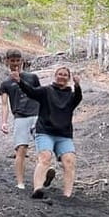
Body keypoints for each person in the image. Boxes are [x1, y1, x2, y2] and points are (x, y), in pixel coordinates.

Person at [12, 65, 82, 199]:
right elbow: (31, 91)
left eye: (65, 75)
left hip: (64, 134)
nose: (62, 76)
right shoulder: (46, 91)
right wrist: (19, 81)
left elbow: (78, 98)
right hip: (45, 131)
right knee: (45, 157)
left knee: (70, 160)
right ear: (55, 76)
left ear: (68, 78)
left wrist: (77, 85)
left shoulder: (71, 96)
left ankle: (67, 195)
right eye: (59, 74)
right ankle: (37, 189)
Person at [0, 49, 52, 190]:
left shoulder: (32, 77)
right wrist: (4, 122)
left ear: (22, 61)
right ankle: (20, 182)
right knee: (21, 149)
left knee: (42, 148)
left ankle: (43, 178)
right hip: (20, 117)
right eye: (12, 60)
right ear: (7, 61)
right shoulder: (5, 83)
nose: (15, 63)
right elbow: (4, 104)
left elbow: (41, 95)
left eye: (17, 60)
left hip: (36, 115)